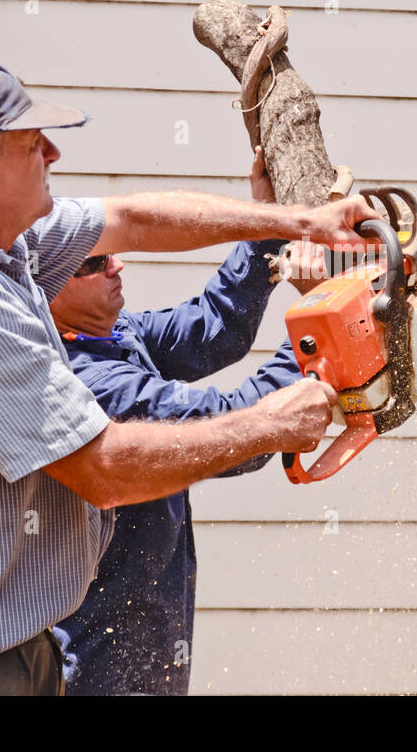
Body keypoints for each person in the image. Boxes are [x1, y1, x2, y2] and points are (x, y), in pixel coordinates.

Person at [0, 58, 374, 695]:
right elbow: (104, 468)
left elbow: (133, 219)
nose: (53, 152)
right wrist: (272, 420)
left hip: (0, 642)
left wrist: (296, 222)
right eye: (32, 144)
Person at [49, 149, 323, 694]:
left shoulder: (113, 334)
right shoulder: (81, 382)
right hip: (100, 650)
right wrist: (322, 325)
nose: (116, 265)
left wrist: (266, 225)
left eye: (109, 254)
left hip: (153, 620)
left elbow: (213, 328)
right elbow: (230, 426)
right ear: (45, 292)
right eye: (94, 263)